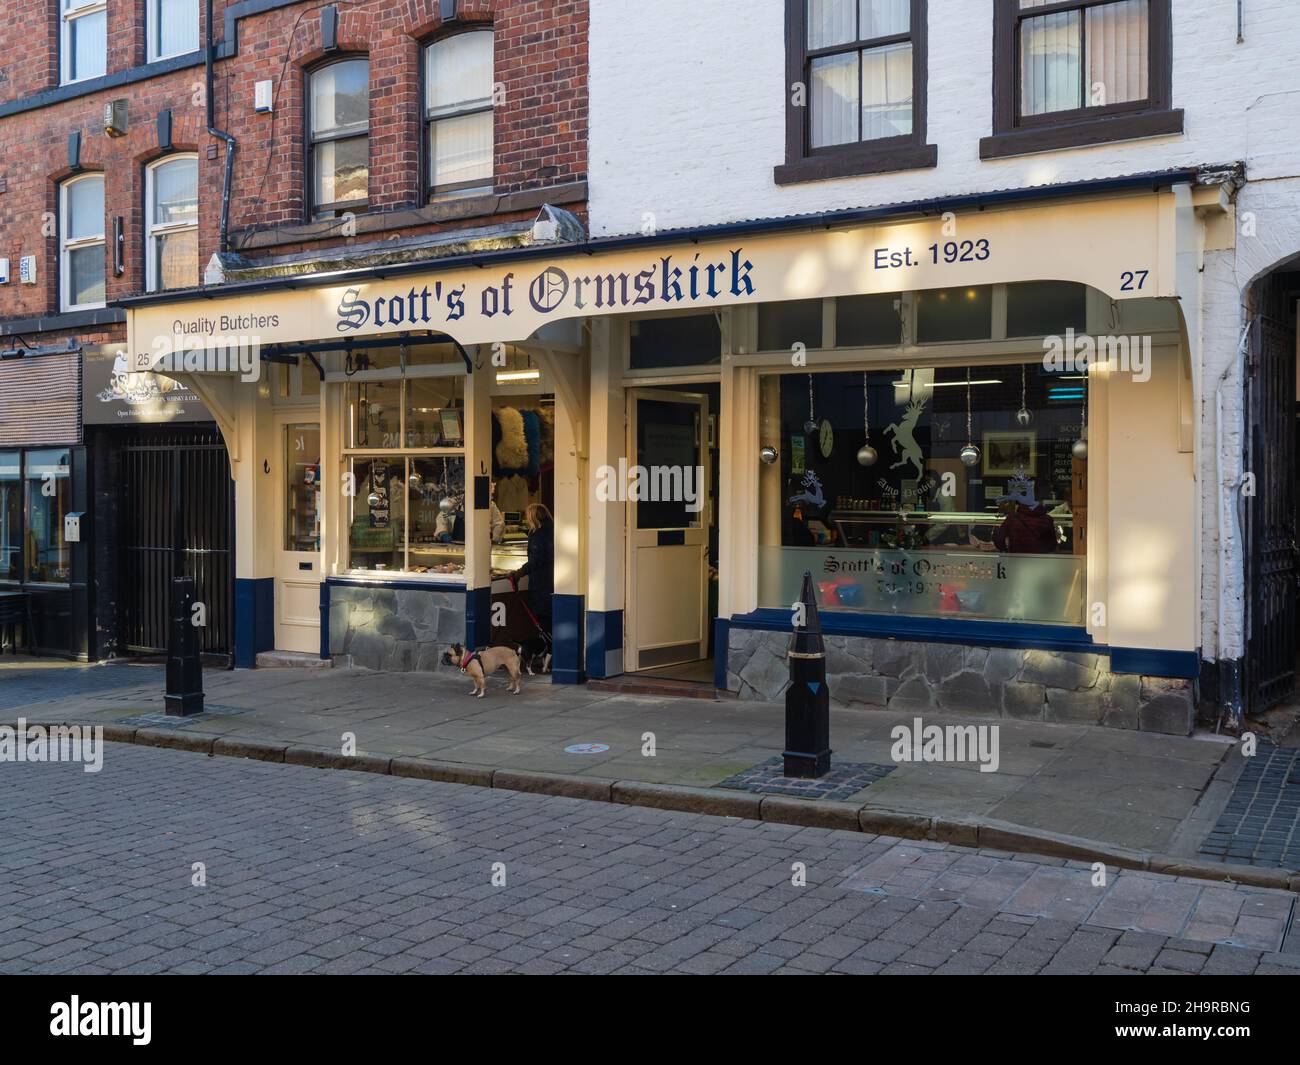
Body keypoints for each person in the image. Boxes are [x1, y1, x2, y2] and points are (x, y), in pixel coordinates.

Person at [511, 502, 554, 640]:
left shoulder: (538, 535)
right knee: (550, 619)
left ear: (533, 517)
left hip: (541, 584)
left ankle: (547, 648)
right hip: (552, 581)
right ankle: (550, 650)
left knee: (543, 621)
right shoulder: (553, 530)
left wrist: (519, 573)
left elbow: (536, 561)